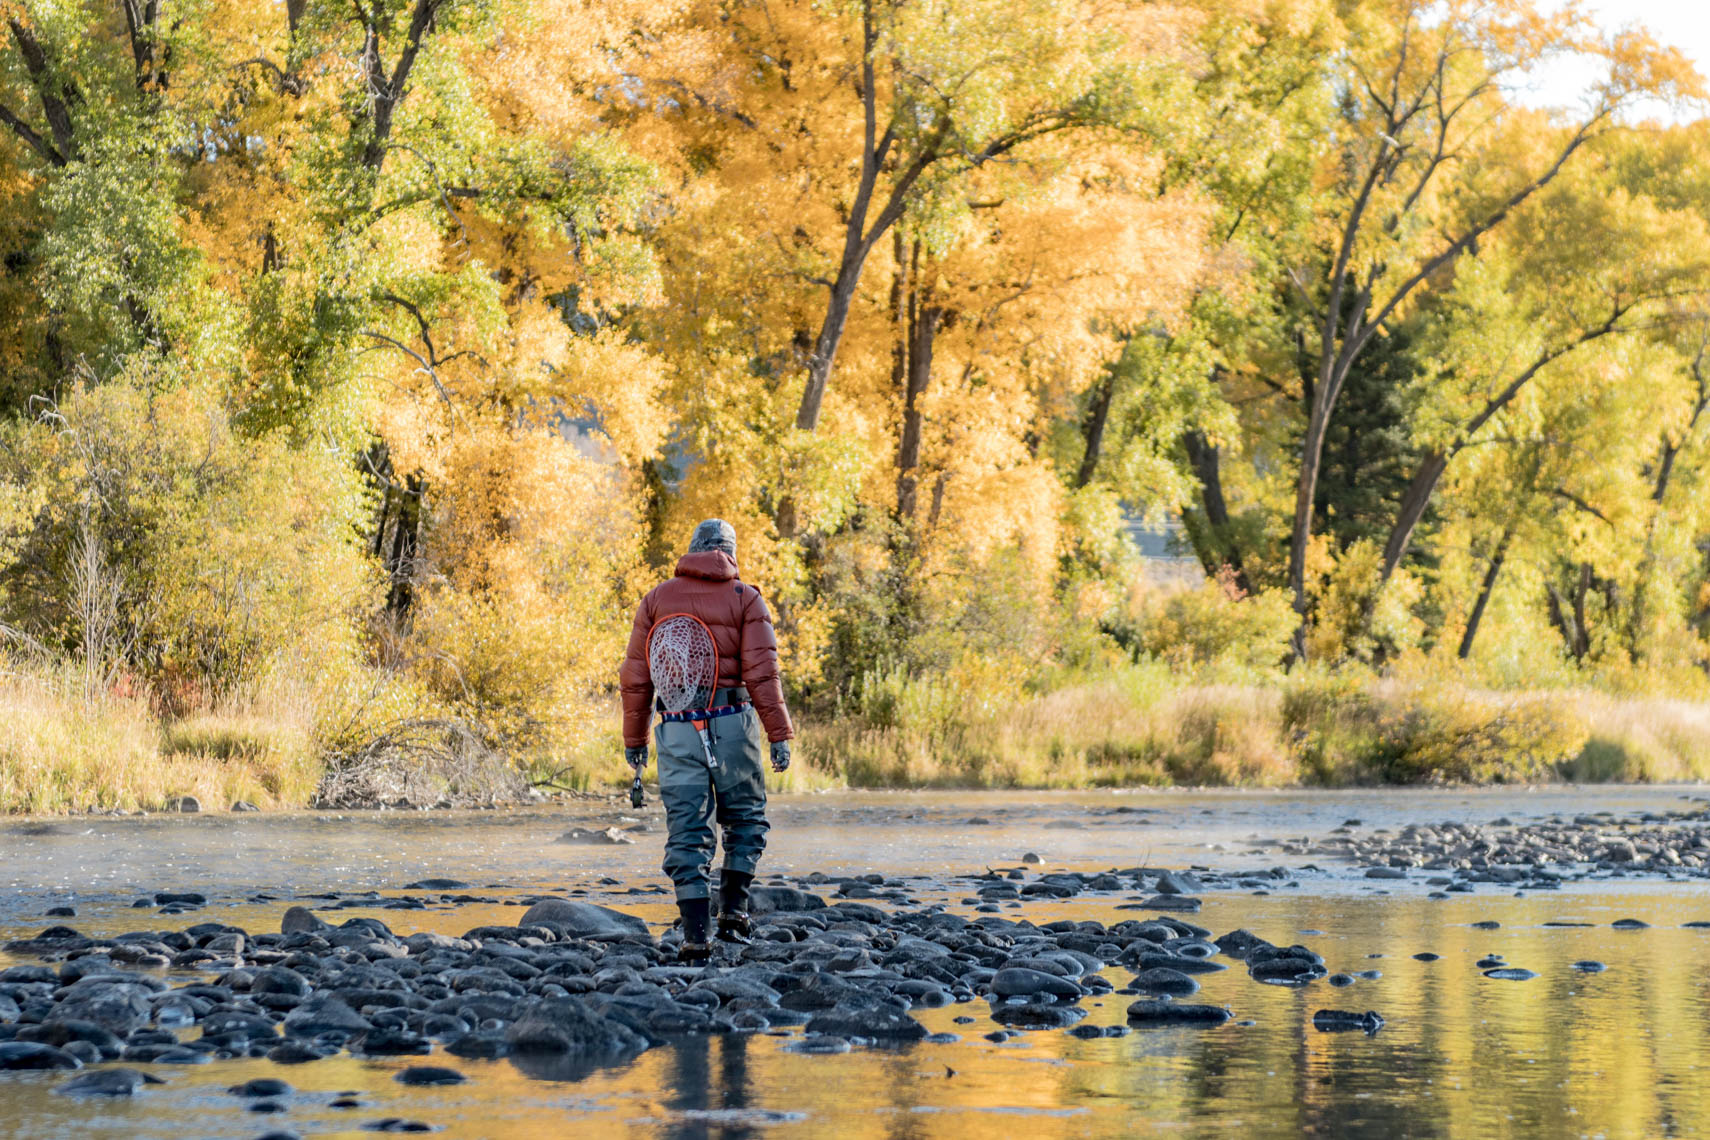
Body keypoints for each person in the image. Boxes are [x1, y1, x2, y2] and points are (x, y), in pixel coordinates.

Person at [619, 518, 794, 962]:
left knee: (687, 832)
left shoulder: (656, 599)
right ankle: (734, 915)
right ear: (731, 552)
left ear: (692, 549)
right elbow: (763, 675)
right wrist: (779, 734)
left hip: (677, 729)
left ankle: (696, 937)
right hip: (733, 722)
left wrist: (635, 740)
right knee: (745, 819)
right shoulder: (747, 598)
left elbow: (637, 679)